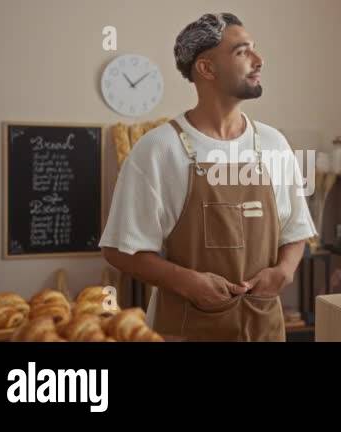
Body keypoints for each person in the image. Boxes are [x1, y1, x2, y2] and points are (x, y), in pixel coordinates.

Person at [100, 12, 317, 341]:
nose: (259, 60)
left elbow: (296, 230)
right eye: (242, 52)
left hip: (264, 328)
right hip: (186, 329)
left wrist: (284, 272)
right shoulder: (159, 149)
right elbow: (119, 250)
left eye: (254, 49)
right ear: (206, 68)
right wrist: (186, 282)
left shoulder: (274, 144)